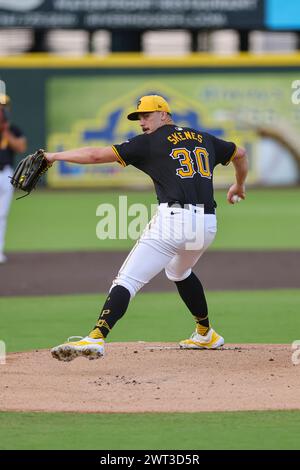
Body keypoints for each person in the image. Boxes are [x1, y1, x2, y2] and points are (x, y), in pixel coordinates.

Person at [48, 95, 248, 361]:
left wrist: (54, 156)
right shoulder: (203, 137)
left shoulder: (150, 142)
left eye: (147, 115)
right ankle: (206, 334)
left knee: (127, 280)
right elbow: (241, 153)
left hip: (175, 221)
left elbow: (96, 155)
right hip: (206, 225)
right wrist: (240, 185)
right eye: (139, 117)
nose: (142, 122)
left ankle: (95, 337)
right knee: (179, 271)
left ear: (164, 115)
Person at [0, 94, 27, 263]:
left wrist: (5, 130)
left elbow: (21, 146)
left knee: (1, 215)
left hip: (6, 174)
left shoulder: (12, 130)